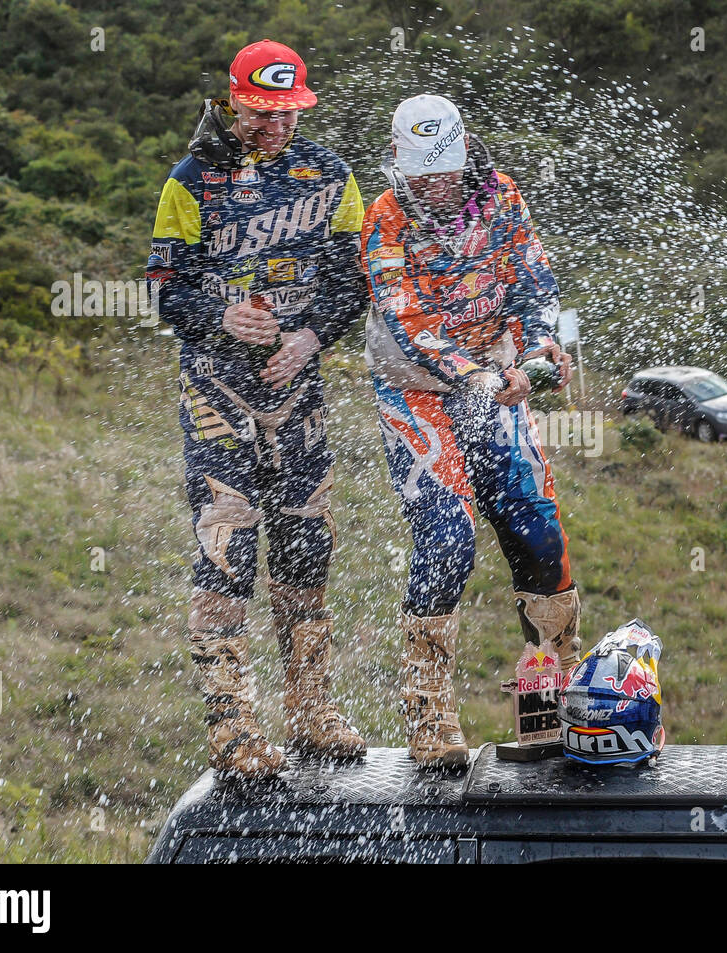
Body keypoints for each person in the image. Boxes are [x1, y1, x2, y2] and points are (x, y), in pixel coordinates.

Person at [146, 39, 368, 778]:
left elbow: (353, 280)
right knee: (228, 541)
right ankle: (232, 724)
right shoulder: (189, 180)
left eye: (287, 113)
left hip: (295, 383)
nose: (274, 126)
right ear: (233, 99)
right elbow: (163, 287)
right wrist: (217, 314)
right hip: (215, 385)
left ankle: (311, 709)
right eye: (260, 112)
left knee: (308, 542)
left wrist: (310, 337)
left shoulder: (333, 175)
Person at [360, 94, 578, 769]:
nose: (435, 186)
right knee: (448, 536)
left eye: (445, 171)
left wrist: (540, 349)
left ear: (464, 156)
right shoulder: (383, 220)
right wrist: (480, 378)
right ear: (398, 163)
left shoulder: (501, 195)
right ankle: (429, 715)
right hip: (416, 387)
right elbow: (411, 325)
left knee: (538, 531)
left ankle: (549, 708)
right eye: (421, 173)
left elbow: (533, 281)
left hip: (497, 371)